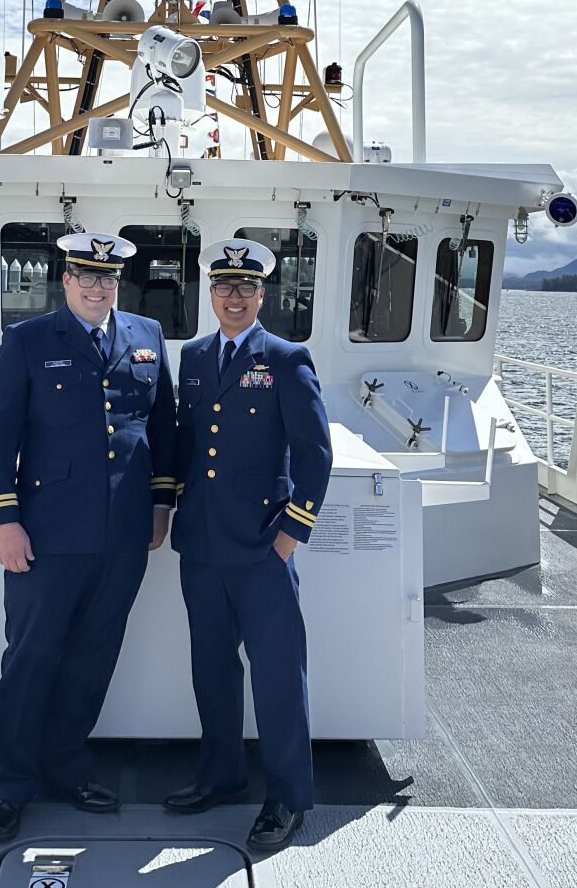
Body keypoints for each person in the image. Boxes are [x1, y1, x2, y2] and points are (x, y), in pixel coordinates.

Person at [0, 231, 176, 843]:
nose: (97, 287)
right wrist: (3, 519)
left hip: (122, 535)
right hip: (47, 533)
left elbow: (161, 424)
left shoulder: (146, 336)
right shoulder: (30, 340)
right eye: (85, 276)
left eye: (108, 277)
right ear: (65, 281)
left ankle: (66, 769)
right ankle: (7, 789)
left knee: (93, 659)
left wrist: (161, 503)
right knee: (30, 659)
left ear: (120, 282)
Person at [165, 238, 332, 852]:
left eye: (245, 288)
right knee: (211, 667)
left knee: (278, 675)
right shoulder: (195, 354)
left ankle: (287, 798)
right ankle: (222, 774)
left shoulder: (287, 358)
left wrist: (293, 532)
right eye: (222, 286)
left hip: (264, 546)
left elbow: (316, 454)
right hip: (203, 544)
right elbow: (187, 442)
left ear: (263, 295)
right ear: (209, 294)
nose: (233, 297)